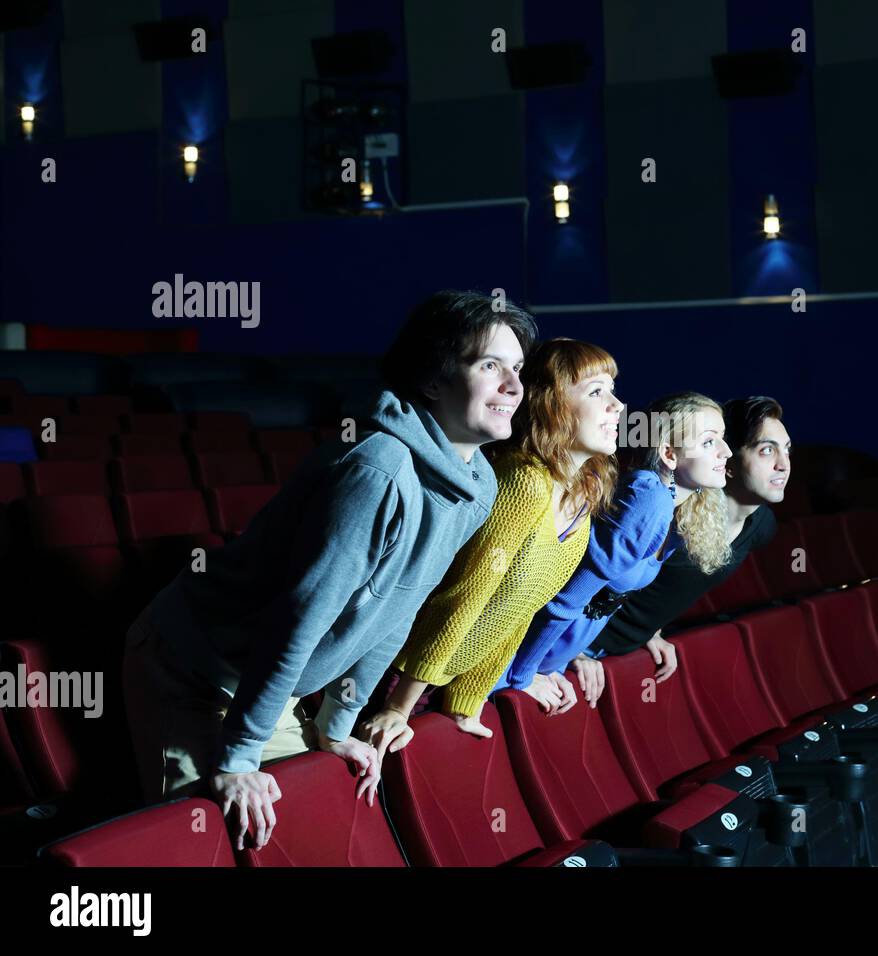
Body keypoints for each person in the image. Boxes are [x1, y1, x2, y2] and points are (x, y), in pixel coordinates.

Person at [121, 290, 535, 851]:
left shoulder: (478, 483)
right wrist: (239, 757)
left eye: (518, 368)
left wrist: (336, 726)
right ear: (433, 379)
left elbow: (397, 610)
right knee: (217, 840)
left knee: (298, 832)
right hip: (194, 670)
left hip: (267, 678)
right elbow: (299, 620)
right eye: (490, 365)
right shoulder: (378, 471)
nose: (514, 386)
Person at [360, 338, 622, 754]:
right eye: (596, 392)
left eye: (612, 390)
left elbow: (518, 614)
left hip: (440, 680)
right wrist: (399, 705)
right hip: (397, 674)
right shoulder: (524, 482)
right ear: (550, 404)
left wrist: (468, 704)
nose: (617, 406)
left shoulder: (581, 500)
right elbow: (464, 597)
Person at [500, 392, 733, 710]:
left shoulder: (675, 504)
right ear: (669, 453)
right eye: (709, 442)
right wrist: (524, 675)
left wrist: (553, 666)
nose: (726, 451)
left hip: (546, 658)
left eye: (722, 439)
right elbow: (565, 600)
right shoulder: (648, 497)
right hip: (512, 656)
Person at [587, 396, 792, 681]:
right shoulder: (672, 512)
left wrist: (651, 629)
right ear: (730, 460)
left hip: (621, 652)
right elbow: (585, 578)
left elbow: (664, 591)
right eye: (767, 450)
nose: (784, 464)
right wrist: (572, 652)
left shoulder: (762, 527)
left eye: (787, 450)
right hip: (580, 647)